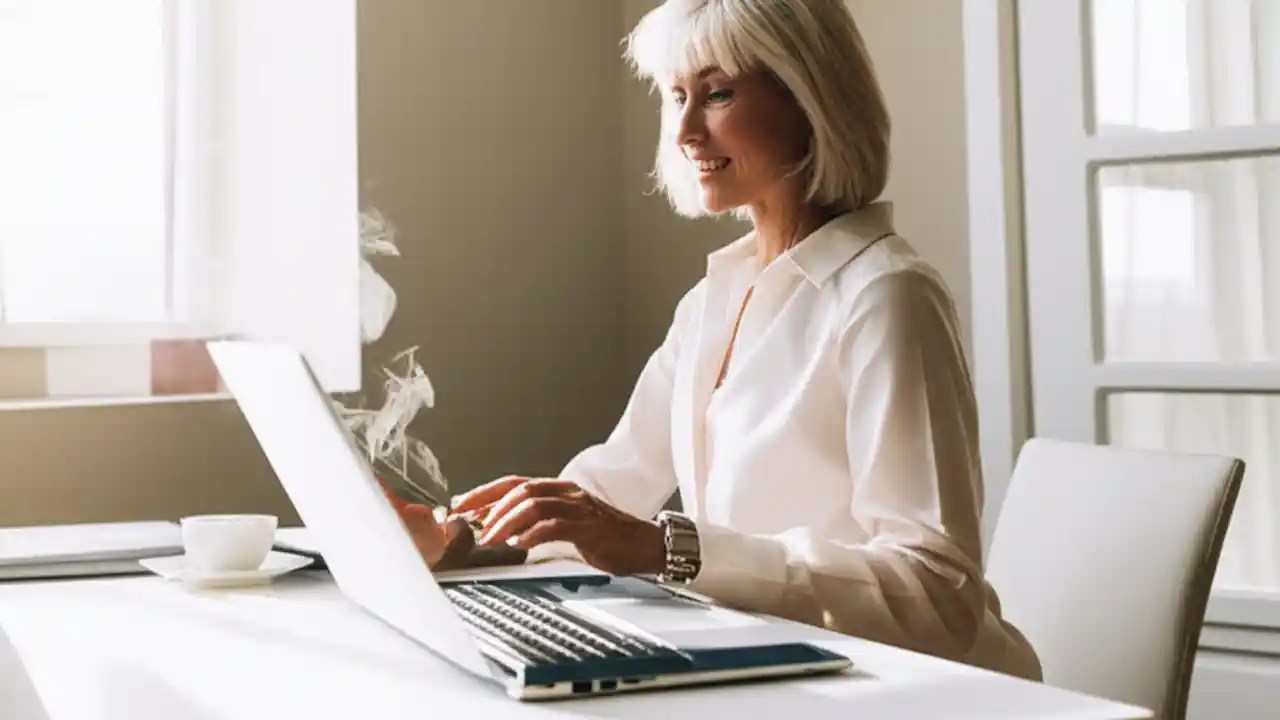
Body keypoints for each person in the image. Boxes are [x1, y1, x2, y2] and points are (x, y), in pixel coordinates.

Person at [385, 0, 1042, 680]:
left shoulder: (887, 297)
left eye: (719, 92)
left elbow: (938, 592)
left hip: (925, 693)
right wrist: (462, 539)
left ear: (813, 96)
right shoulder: (711, 301)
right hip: (780, 674)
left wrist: (669, 549)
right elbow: (612, 488)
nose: (687, 132)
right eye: (677, 97)